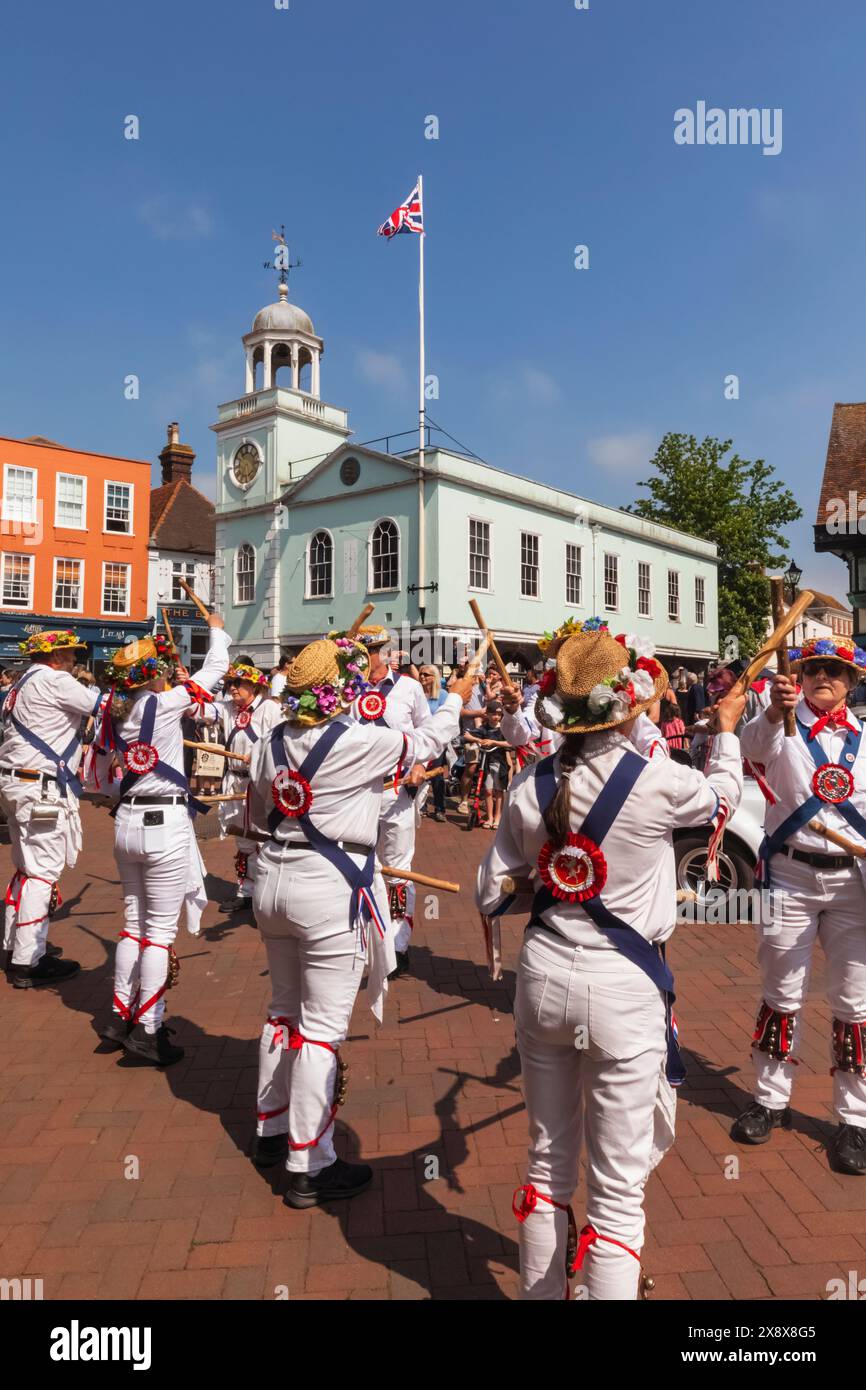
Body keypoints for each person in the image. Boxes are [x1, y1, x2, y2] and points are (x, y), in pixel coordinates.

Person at [476, 617, 744, 1299]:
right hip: (623, 987)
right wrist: (731, 731)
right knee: (618, 1191)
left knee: (546, 1164)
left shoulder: (528, 785)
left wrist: (542, 876)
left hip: (543, 979)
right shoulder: (659, 780)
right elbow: (723, 801)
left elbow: (487, 892)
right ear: (630, 706)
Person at [245, 634, 473, 1205]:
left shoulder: (268, 740)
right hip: (326, 890)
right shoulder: (360, 741)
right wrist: (453, 700)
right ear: (346, 690)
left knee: (281, 1010)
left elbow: (255, 807)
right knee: (321, 1027)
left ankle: (271, 1130)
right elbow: (423, 742)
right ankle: (309, 1163)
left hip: (271, 880)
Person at [734, 638, 866, 1175]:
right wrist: (772, 710)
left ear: (852, 682)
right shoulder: (778, 724)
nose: (823, 678)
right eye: (814, 669)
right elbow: (748, 745)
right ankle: (770, 1102)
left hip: (853, 883)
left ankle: (854, 1119)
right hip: (790, 873)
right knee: (781, 992)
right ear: (801, 675)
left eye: (835, 671)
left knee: (854, 1004)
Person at [96, 616, 231, 1064]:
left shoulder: (115, 710)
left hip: (126, 825)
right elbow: (213, 673)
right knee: (157, 933)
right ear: (152, 674)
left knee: (133, 925)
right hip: (164, 825)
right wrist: (216, 629)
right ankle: (148, 1030)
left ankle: (120, 1017)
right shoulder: (165, 703)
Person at [0, 630, 104, 987]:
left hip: (16, 784)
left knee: (26, 868)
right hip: (39, 788)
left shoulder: (19, 683)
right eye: (71, 653)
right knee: (43, 872)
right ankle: (30, 959)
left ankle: (14, 945)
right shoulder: (56, 680)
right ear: (57, 655)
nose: (75, 658)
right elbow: (105, 707)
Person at [343, 625, 437, 980]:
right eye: (362, 651)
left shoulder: (409, 688)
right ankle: (365, 939)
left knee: (398, 868)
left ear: (386, 651)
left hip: (398, 791)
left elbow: (429, 734)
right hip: (359, 793)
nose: (367, 658)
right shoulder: (347, 692)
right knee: (360, 864)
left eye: (374, 650)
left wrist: (421, 767)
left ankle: (397, 944)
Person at [209, 663, 284, 914]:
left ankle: (267, 893)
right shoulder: (226, 708)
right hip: (234, 780)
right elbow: (201, 711)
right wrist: (189, 686)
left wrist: (260, 754)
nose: (232, 689)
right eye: (230, 684)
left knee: (263, 838)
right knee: (242, 839)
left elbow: (282, 741)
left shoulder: (269, 708)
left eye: (237, 684)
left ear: (254, 686)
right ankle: (246, 892)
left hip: (260, 783)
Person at [463, 700, 512, 828]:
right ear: (487, 715)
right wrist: (478, 739)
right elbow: (466, 735)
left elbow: (511, 743)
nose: (496, 717)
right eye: (493, 714)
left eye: (499, 714)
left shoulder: (503, 728)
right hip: (486, 763)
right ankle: (489, 817)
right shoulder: (483, 728)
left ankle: (498, 816)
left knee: (499, 791)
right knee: (488, 791)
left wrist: (494, 743)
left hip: (500, 763)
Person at [419, 664, 449, 822]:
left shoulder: (442, 695)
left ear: (434, 677)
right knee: (420, 773)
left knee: (437, 776)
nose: (422, 677)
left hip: (436, 742)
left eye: (426, 674)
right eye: (421, 674)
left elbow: (445, 718)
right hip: (419, 740)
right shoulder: (417, 693)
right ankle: (421, 805)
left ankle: (439, 808)